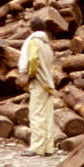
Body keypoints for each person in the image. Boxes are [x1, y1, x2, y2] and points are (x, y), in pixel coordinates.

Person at [19, 17, 56, 156]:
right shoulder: (46, 43)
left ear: (31, 29)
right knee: (47, 115)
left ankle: (36, 147)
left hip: (39, 81)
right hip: (48, 81)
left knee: (36, 114)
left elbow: (33, 59)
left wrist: (30, 74)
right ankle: (48, 147)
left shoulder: (33, 41)